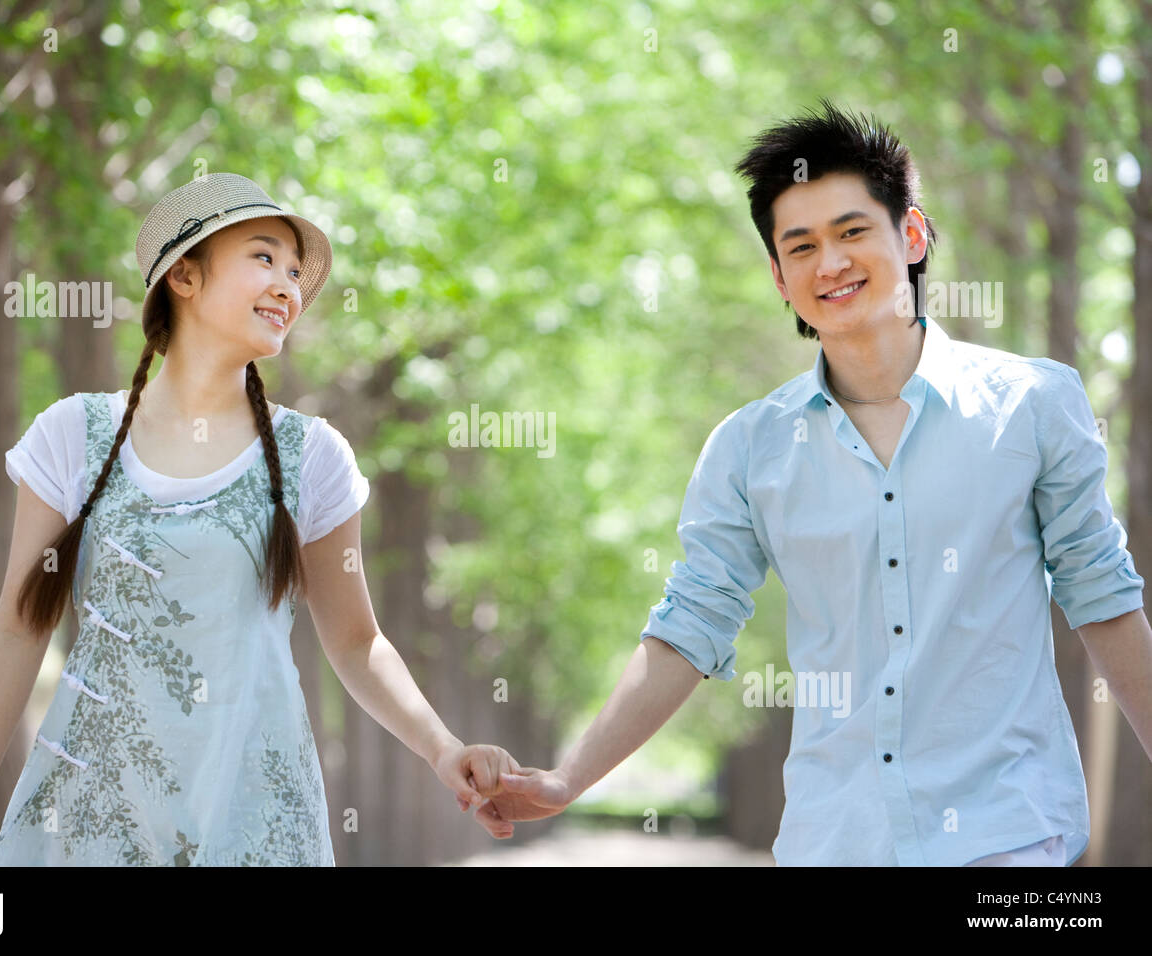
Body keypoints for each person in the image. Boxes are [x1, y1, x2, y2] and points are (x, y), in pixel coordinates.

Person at [469, 99, 1152, 864]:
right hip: (836, 839)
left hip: (1010, 833)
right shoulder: (750, 450)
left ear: (914, 235)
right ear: (778, 275)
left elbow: (1102, 595)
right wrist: (566, 780)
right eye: (801, 246)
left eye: (853, 231)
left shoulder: (1033, 405)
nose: (830, 263)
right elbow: (688, 629)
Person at [0, 173, 517, 866]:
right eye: (265, 258)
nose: (289, 288)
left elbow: (358, 644)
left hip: (254, 820)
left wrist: (444, 747)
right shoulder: (73, 436)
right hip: (89, 819)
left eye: (297, 273)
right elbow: (18, 624)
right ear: (184, 275)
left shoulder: (311, 456)